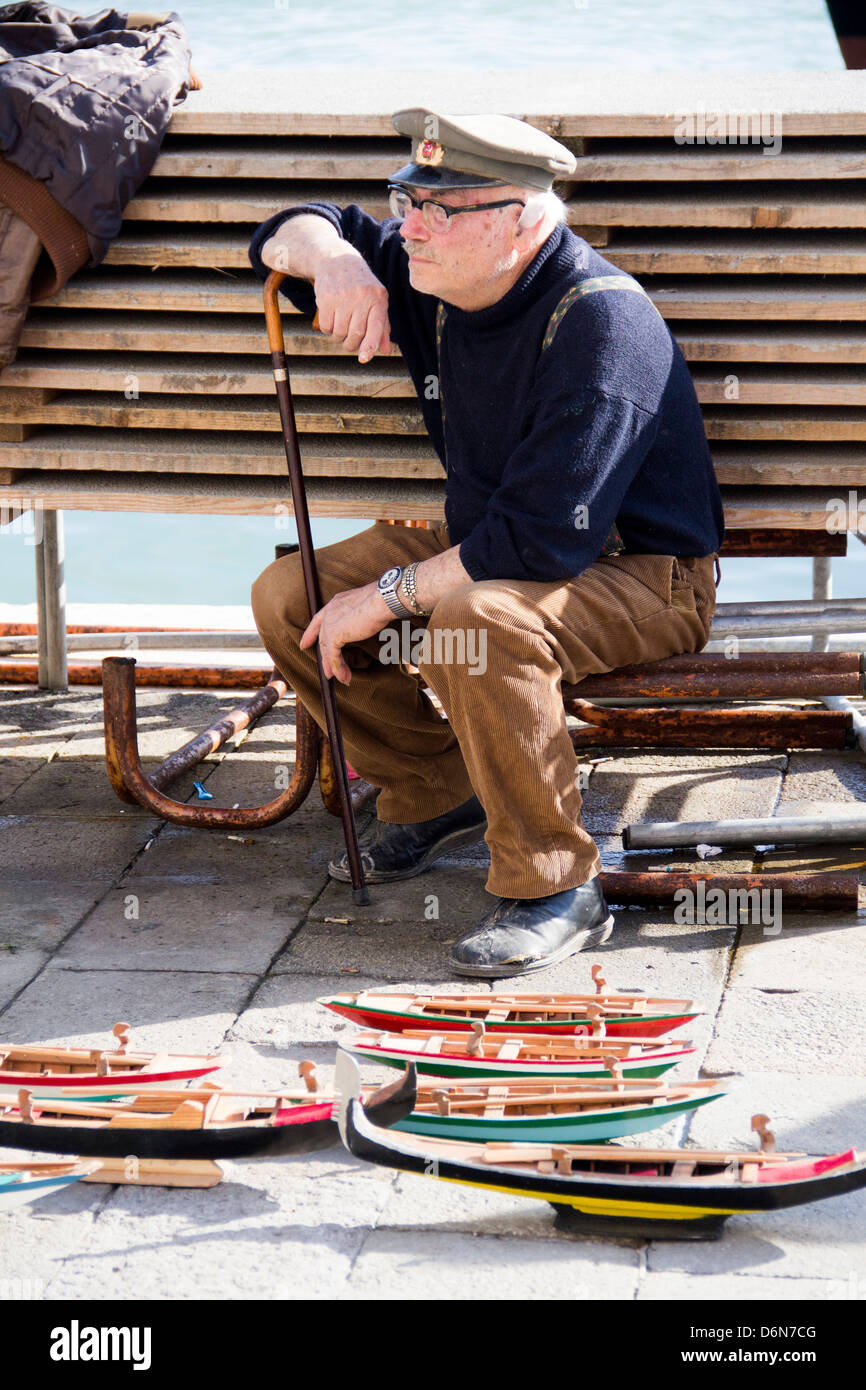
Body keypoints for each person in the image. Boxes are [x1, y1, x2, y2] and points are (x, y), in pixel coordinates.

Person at [248, 107, 724, 978]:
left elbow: (542, 542)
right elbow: (286, 225)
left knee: (479, 619)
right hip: (493, 545)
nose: (410, 225)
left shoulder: (601, 324)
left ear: (522, 219)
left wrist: (385, 599)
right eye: (406, 198)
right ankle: (438, 788)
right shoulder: (430, 266)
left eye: (443, 207)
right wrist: (340, 263)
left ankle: (556, 885)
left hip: (643, 572)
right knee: (289, 596)